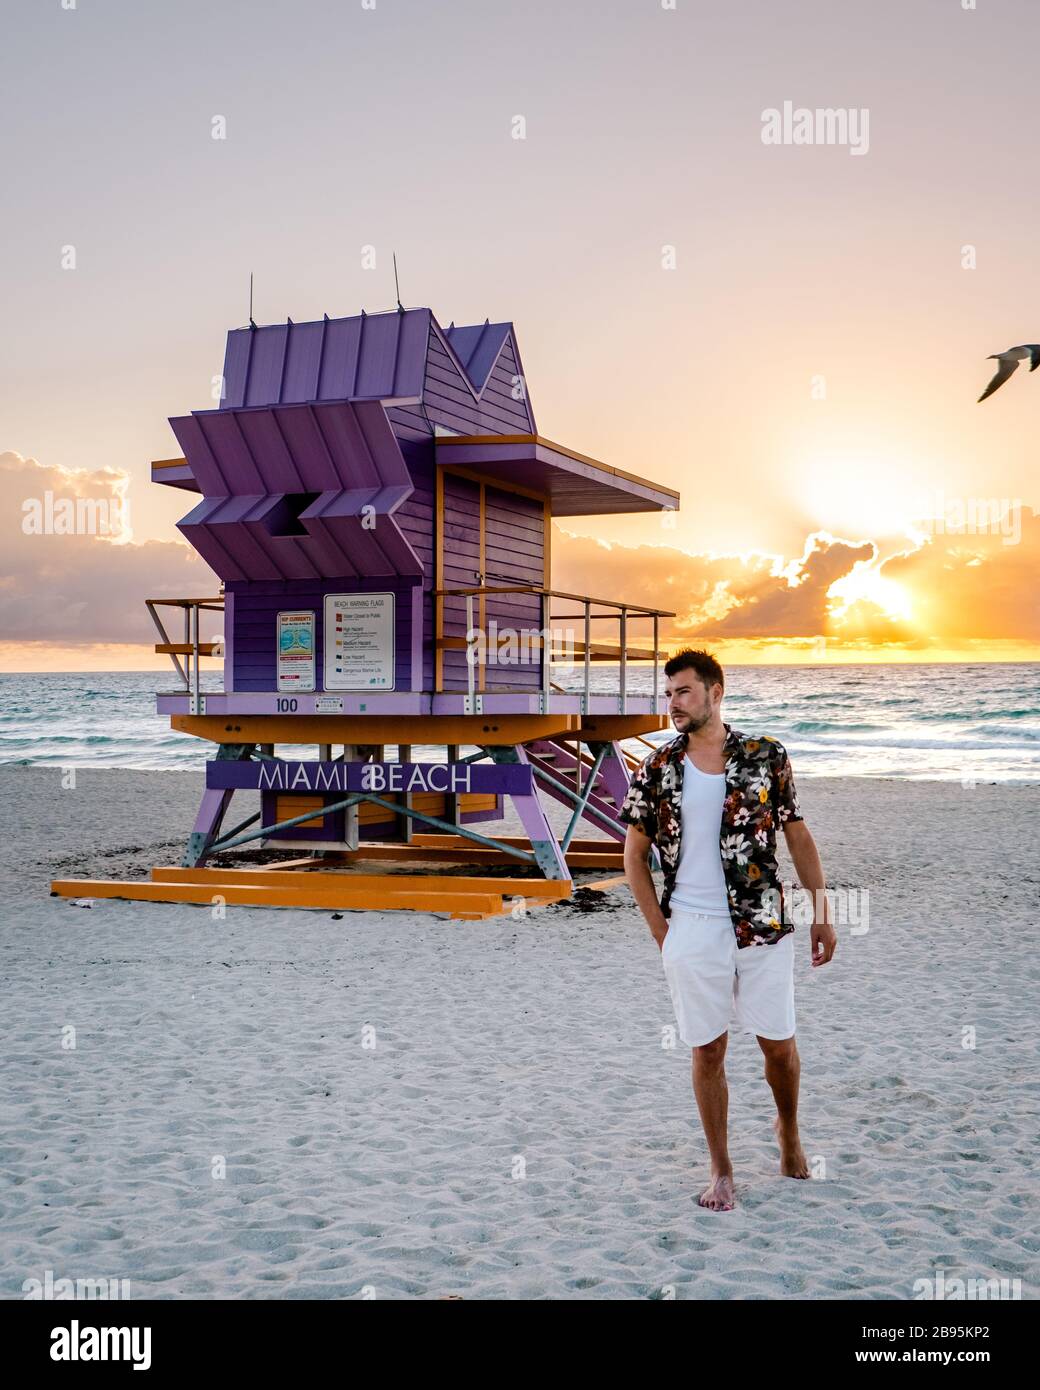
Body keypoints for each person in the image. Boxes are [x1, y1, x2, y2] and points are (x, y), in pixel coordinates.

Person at [619, 648, 836, 1212]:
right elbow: (633, 857)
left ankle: (787, 1131)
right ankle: (721, 1168)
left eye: (684, 692)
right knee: (707, 1049)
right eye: (668, 694)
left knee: (779, 1048)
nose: (673, 704)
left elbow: (799, 839)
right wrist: (663, 934)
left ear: (717, 692)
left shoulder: (767, 756)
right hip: (691, 926)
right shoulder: (657, 767)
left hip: (762, 924)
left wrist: (822, 913)